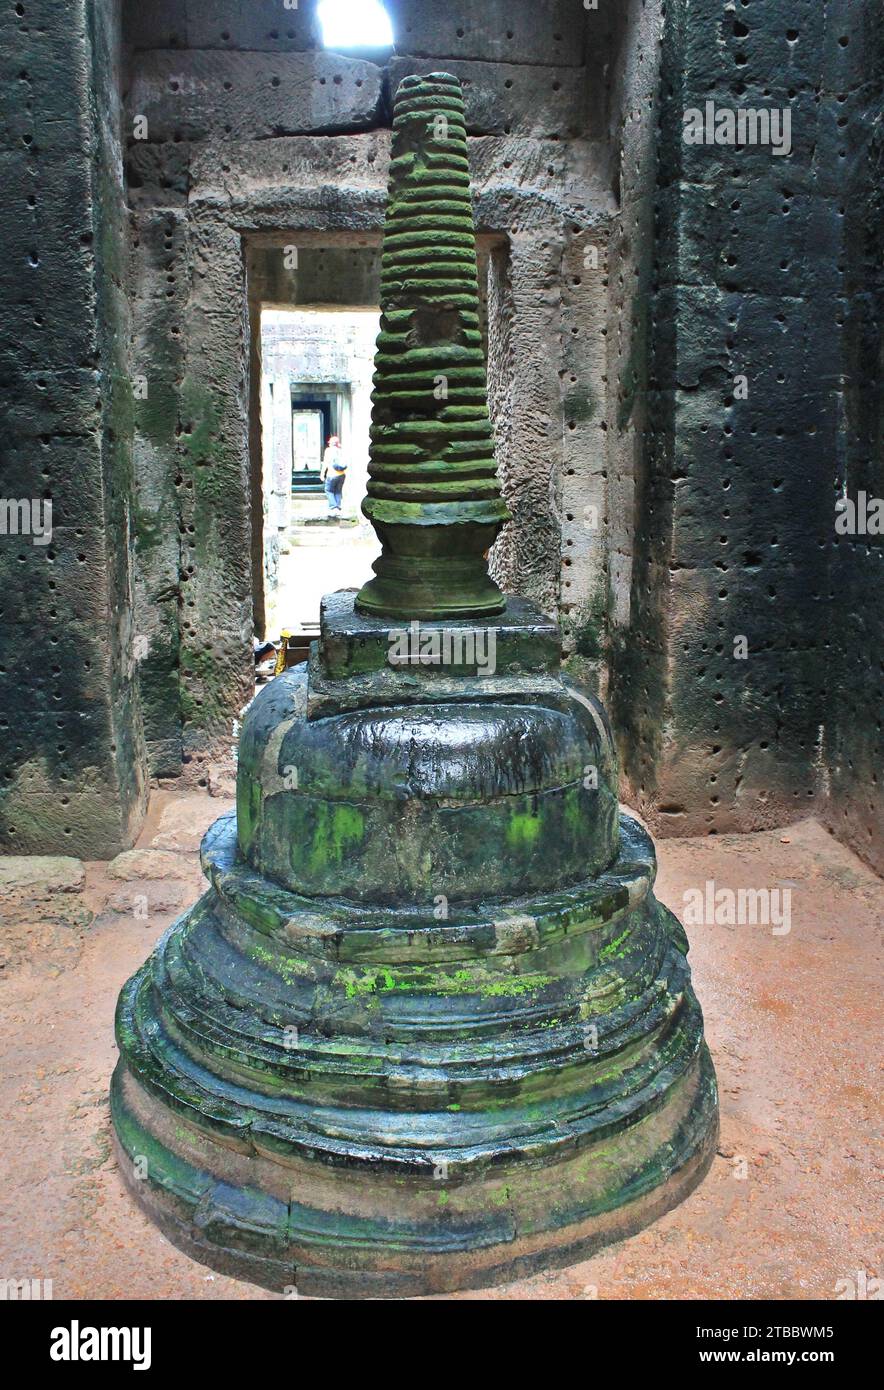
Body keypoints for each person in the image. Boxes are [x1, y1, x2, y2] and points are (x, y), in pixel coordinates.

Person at [320, 435, 346, 516]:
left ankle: (333, 507)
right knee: (338, 491)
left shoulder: (328, 451)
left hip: (332, 474)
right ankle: (338, 507)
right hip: (342, 475)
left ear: (331, 443)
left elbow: (326, 463)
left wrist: (322, 474)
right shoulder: (341, 450)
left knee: (329, 490)